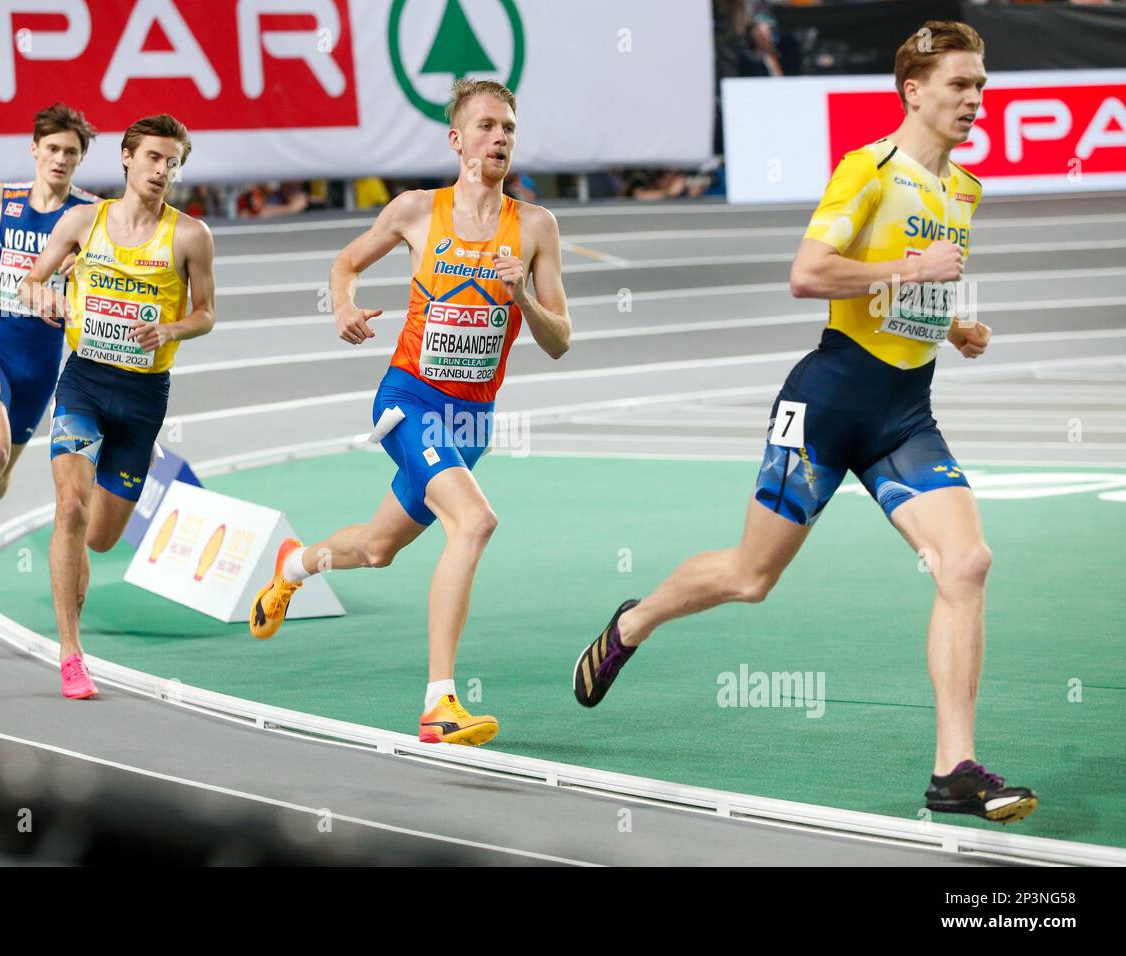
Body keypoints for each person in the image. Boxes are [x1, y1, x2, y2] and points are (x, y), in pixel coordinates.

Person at [573, 21, 1038, 825]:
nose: (975, 99)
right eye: (960, 85)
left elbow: (911, 294)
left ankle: (954, 770)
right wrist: (914, 268)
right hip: (826, 402)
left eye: (981, 85)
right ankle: (635, 620)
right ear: (914, 91)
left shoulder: (965, 191)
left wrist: (950, 323)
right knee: (750, 579)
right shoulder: (868, 170)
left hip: (905, 413)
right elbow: (808, 274)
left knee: (966, 564)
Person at [248, 79, 571, 746]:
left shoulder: (535, 227)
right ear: (456, 140)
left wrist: (522, 300)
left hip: (470, 423)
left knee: (377, 547)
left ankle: (293, 566)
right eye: (485, 126)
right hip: (409, 400)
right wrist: (342, 305)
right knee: (475, 521)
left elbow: (561, 340)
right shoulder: (417, 211)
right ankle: (439, 703)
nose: (500, 138)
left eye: (508, 126)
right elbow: (345, 262)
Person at [19, 114, 217, 699]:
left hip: (142, 399)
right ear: (127, 157)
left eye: (174, 163)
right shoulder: (84, 221)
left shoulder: (190, 236)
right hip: (81, 382)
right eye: (154, 158)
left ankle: (71, 567)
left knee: (100, 537)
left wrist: (172, 328)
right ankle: (72, 653)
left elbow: (207, 313)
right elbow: (29, 281)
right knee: (71, 508)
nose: (163, 171)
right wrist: (47, 294)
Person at [0, 103, 97, 628]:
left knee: (1, 474)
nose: (59, 159)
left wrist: (82, 268)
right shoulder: (0, 198)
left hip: (44, 361)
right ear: (34, 148)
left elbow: (111, 264)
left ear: (79, 161)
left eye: (70, 153)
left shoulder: (88, 214)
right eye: (51, 148)